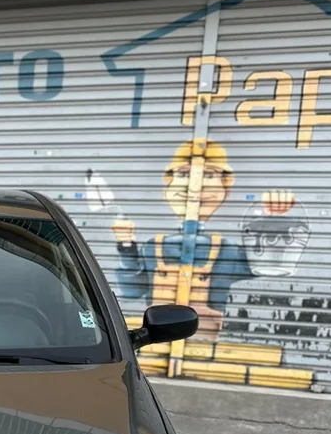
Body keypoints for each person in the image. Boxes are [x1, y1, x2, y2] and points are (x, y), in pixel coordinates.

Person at [112, 140, 297, 339]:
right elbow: (131, 290)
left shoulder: (227, 251)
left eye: (209, 175)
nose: (194, 187)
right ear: (166, 189)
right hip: (154, 341)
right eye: (183, 174)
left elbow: (266, 265)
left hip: (206, 341)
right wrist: (126, 246)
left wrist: (273, 219)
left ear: (225, 189)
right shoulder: (153, 247)